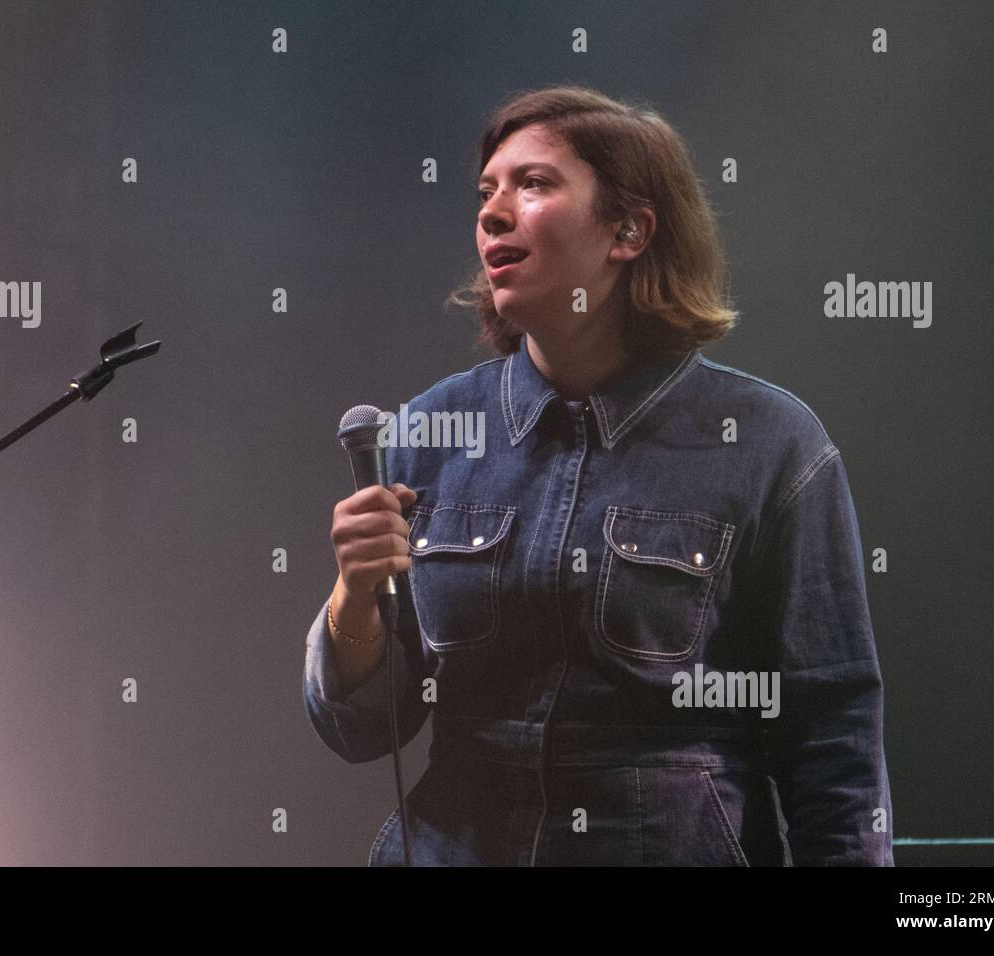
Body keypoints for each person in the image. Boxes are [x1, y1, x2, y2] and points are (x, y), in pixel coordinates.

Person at [302, 85, 893, 866]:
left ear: (629, 229)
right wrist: (351, 595)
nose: (491, 211)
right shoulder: (427, 435)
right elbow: (363, 728)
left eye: (534, 184)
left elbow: (832, 732)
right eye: (486, 191)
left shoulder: (769, 442)